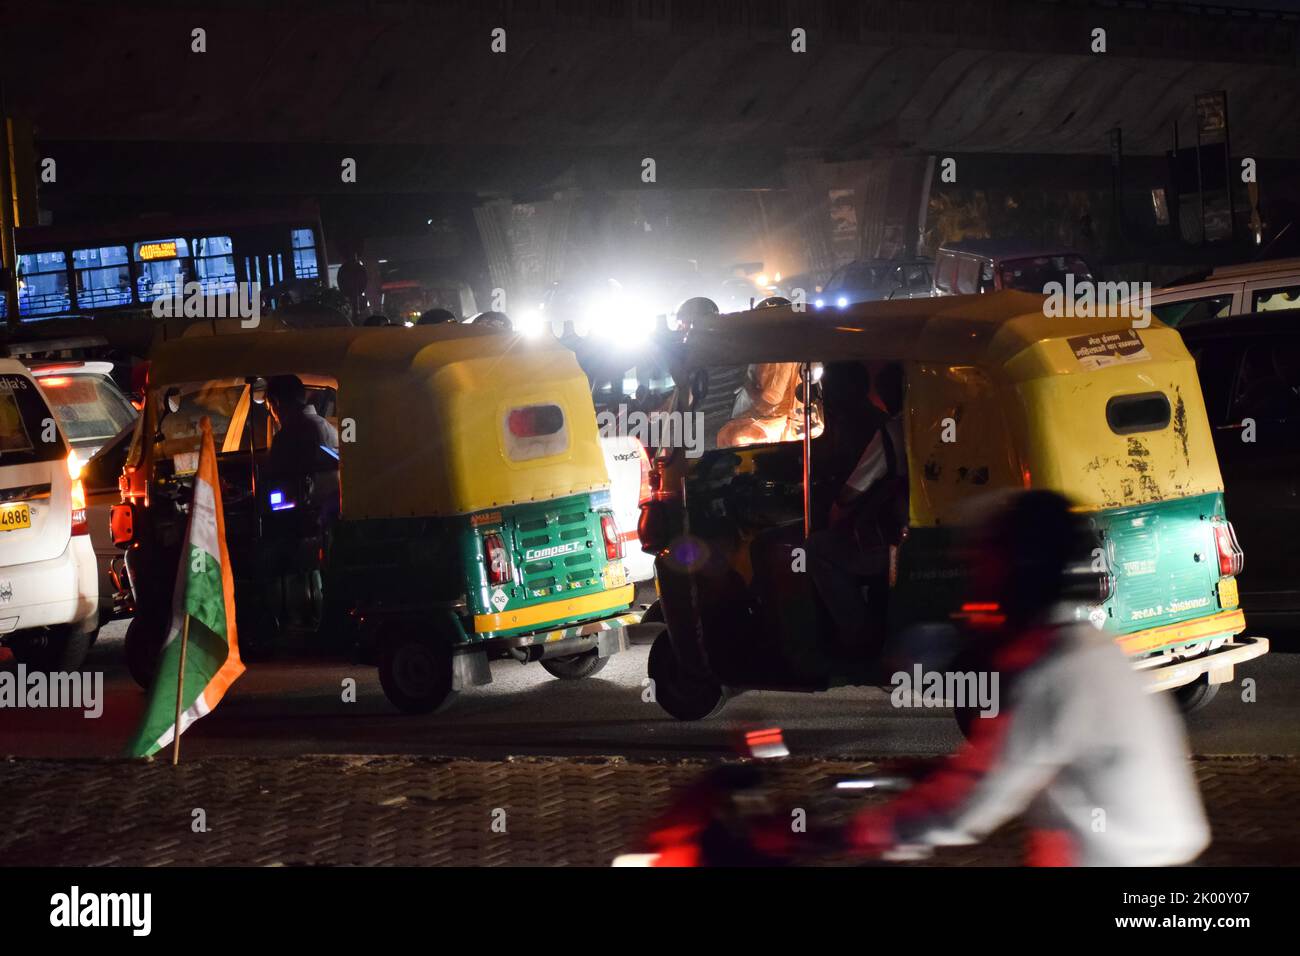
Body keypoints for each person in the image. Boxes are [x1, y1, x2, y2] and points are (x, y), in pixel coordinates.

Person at [842, 491, 1211, 866]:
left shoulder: (1051, 671)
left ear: (1017, 577)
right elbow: (1022, 760)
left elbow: (966, 806)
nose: (975, 587)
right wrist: (935, 773)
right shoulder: (1091, 648)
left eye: (985, 570)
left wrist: (843, 835)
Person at [805, 362, 907, 655]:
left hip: (889, 544)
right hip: (906, 533)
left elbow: (851, 492)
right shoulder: (920, 424)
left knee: (817, 547)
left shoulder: (890, 431)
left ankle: (858, 635)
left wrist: (834, 516)